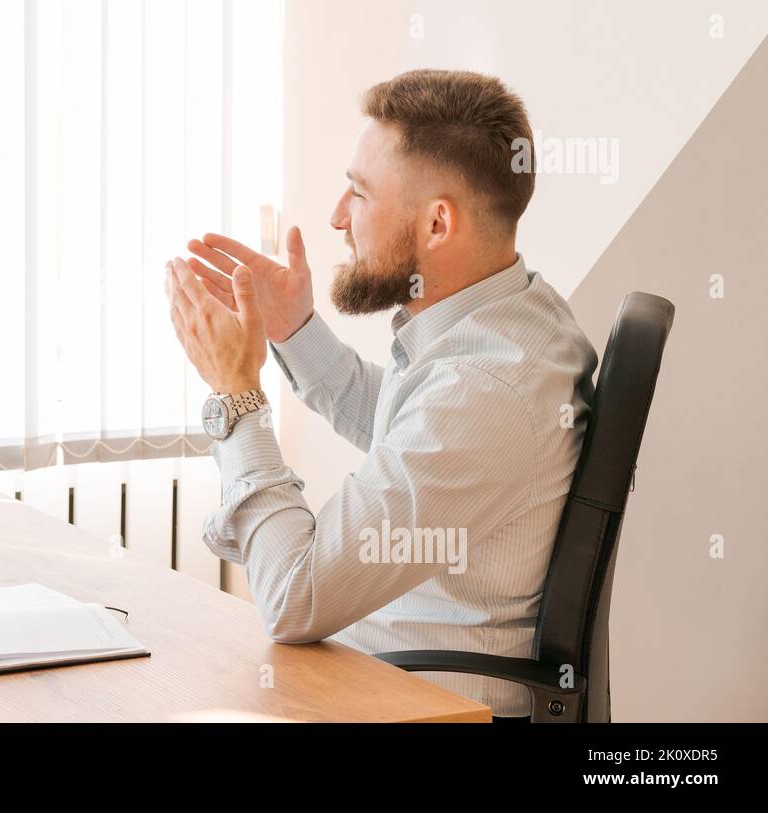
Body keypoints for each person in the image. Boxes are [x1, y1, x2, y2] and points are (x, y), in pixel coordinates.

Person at [163, 68, 598, 721]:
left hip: (407, 701)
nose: (338, 216)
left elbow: (292, 596)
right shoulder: (512, 315)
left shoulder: (486, 392)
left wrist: (238, 393)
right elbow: (412, 429)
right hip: (374, 676)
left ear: (438, 224)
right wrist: (295, 330)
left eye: (359, 193)